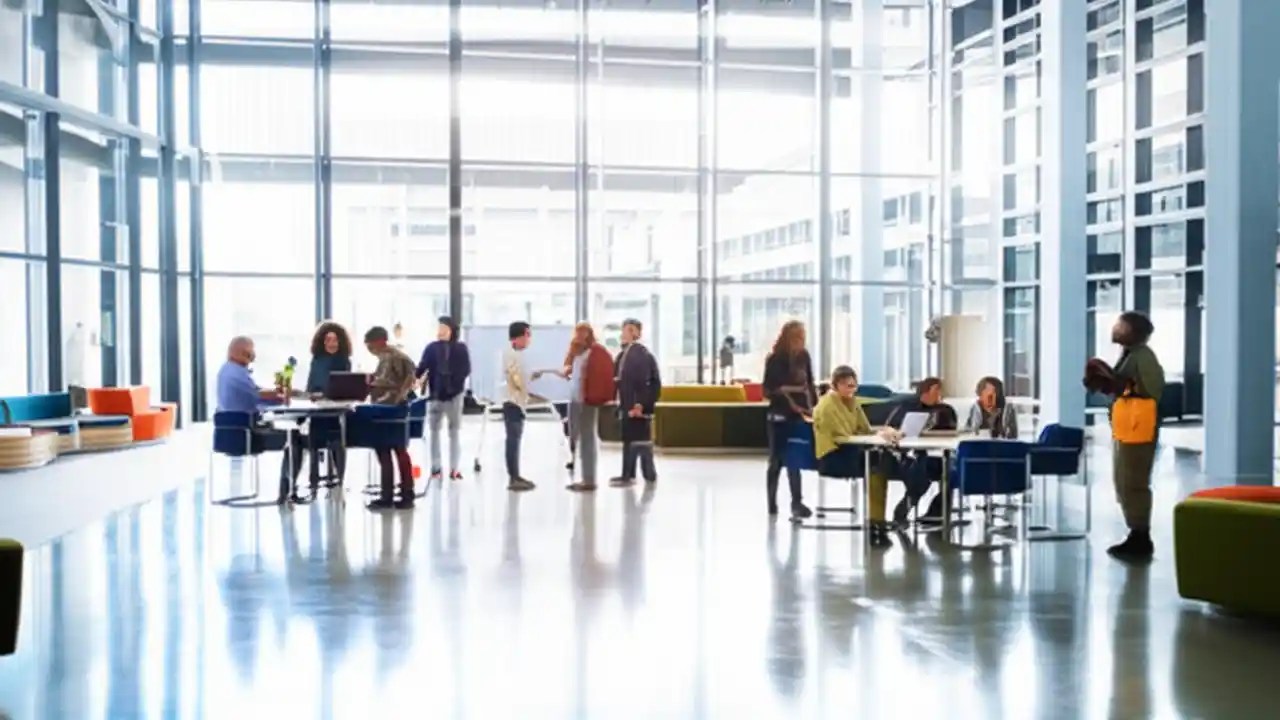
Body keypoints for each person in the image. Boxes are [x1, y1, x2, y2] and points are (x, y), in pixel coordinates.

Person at [1084, 311, 1164, 560]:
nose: (1115, 328)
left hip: (1139, 427)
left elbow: (1152, 390)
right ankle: (1135, 531)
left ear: (1132, 331)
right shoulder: (1129, 355)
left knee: (1134, 481)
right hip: (1127, 426)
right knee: (1123, 479)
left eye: (1121, 325)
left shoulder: (1144, 357)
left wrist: (1119, 383)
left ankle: (1141, 536)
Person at [812, 366, 898, 544]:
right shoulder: (827, 406)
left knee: (882, 462)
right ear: (835, 385)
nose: (850, 389)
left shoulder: (853, 402)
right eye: (846, 385)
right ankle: (877, 522)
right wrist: (870, 438)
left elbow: (863, 429)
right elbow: (843, 436)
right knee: (878, 464)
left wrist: (883, 432)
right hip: (833, 456)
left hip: (851, 450)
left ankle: (878, 520)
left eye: (853, 385)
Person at [215, 335, 305, 503]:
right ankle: (287, 493)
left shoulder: (228, 371)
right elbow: (256, 396)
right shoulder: (236, 373)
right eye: (251, 352)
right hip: (246, 435)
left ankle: (288, 491)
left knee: (287, 432)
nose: (253, 356)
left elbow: (254, 393)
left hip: (229, 433)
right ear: (244, 353)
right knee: (295, 439)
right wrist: (282, 394)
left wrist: (277, 394)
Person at [544, 322, 615, 492]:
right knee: (574, 435)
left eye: (584, 332)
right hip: (575, 399)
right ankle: (582, 473)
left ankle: (589, 480)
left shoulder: (596, 352)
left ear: (590, 334)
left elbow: (602, 375)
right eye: (578, 332)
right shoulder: (575, 352)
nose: (580, 335)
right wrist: (548, 371)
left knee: (588, 439)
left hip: (588, 400)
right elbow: (568, 372)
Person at [762, 320, 817, 520]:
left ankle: (796, 502)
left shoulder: (804, 357)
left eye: (803, 337)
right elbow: (768, 389)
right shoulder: (775, 359)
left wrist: (815, 409)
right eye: (797, 337)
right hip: (778, 415)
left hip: (799, 415)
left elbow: (809, 384)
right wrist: (786, 391)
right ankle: (772, 503)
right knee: (776, 460)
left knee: (795, 459)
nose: (801, 341)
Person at [886, 377, 958, 523]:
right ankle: (904, 508)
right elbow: (889, 428)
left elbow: (950, 431)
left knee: (952, 472)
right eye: (936, 390)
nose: (939, 394)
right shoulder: (907, 406)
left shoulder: (945, 410)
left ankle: (936, 513)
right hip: (909, 455)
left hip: (938, 453)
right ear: (926, 391)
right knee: (922, 469)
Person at [364, 326, 419, 510]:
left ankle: (400, 494)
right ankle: (396, 494)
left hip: (390, 409)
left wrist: (373, 385)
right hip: (388, 408)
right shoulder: (391, 356)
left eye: (370, 345)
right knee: (388, 451)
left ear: (379, 341)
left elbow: (395, 382)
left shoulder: (392, 357)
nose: (369, 349)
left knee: (394, 451)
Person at [416, 315, 471, 481]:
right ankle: (436, 467)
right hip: (435, 394)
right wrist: (415, 378)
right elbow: (422, 366)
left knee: (454, 432)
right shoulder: (431, 348)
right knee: (434, 431)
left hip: (454, 395)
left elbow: (466, 369)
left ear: (452, 331)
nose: (440, 332)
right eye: (439, 328)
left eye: (444, 329)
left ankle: (454, 468)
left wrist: (454, 384)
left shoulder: (461, 348)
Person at [612, 318, 662, 487]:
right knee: (631, 440)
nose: (622, 334)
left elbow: (645, 382)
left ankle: (646, 474)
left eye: (625, 330)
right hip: (628, 404)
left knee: (639, 441)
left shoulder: (640, 354)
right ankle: (629, 474)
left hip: (636, 406)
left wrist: (640, 404)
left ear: (634, 332)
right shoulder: (625, 354)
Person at [304, 320, 354, 487]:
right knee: (313, 437)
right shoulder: (316, 360)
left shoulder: (344, 361)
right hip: (317, 407)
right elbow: (311, 384)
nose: (331, 343)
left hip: (336, 407)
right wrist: (312, 394)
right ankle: (314, 478)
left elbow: (344, 385)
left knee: (336, 439)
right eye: (328, 340)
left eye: (334, 340)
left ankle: (339, 478)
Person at [502, 322, 537, 492]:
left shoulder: (516, 355)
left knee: (515, 439)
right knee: (513, 440)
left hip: (517, 402)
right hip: (513, 402)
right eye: (527, 335)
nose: (529, 339)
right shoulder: (510, 355)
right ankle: (513, 477)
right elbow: (517, 380)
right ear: (519, 337)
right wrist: (529, 387)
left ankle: (516, 475)